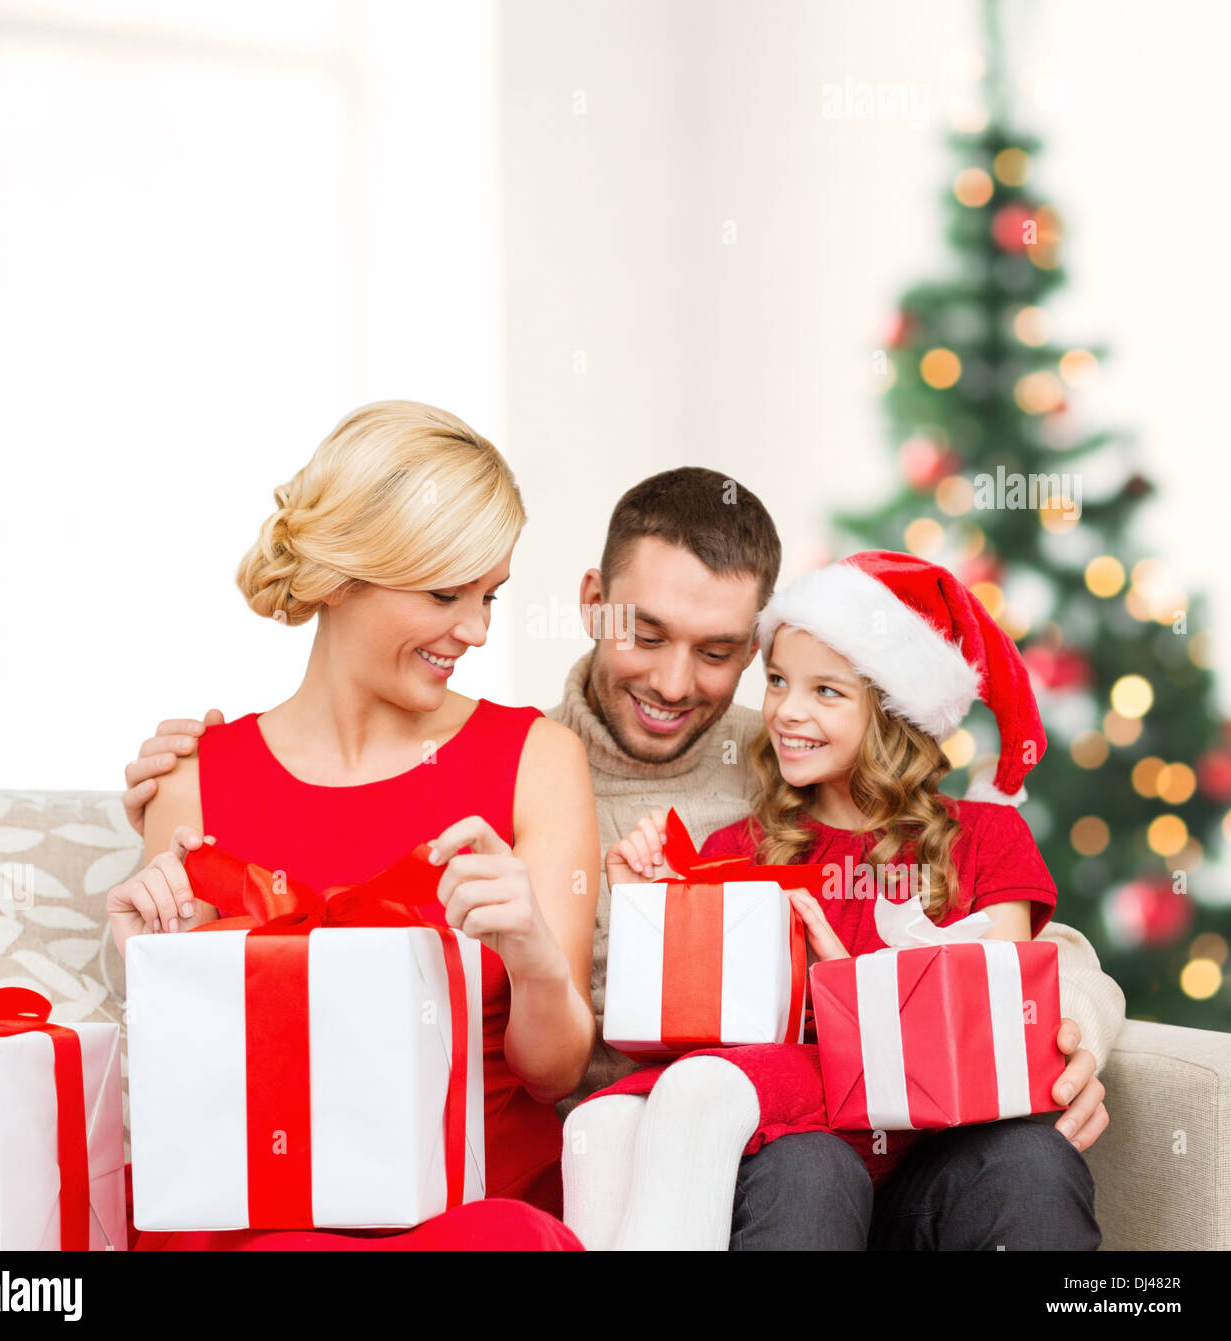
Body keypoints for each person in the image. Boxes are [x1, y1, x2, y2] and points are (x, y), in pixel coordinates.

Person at [120, 468, 1120, 1249]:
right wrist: (191, 792)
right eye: (644, 633)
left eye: (723, 652)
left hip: (844, 1140)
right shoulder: (501, 764)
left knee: (1009, 1163)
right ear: (593, 601)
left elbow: (1005, 914)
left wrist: (1070, 1023)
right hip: (645, 1165)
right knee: (800, 1166)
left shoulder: (791, 757)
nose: (676, 683)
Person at [108, 400, 596, 1250]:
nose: (476, 630)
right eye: (447, 593)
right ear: (340, 576)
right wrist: (150, 960)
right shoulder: (193, 778)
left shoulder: (537, 757)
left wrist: (532, 951)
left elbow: (551, 1071)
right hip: (266, 1214)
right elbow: (189, 1085)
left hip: (467, 1211)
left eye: (491, 596)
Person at [596, 550, 1102, 1250]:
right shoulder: (735, 852)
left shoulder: (985, 837)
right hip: (799, 1167)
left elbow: (1005, 1030)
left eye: (826, 692)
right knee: (809, 1168)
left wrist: (855, 998)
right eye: (777, 681)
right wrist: (651, 922)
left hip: (938, 1169)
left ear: (894, 708)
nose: (786, 711)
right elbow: (692, 1069)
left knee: (1030, 1158)